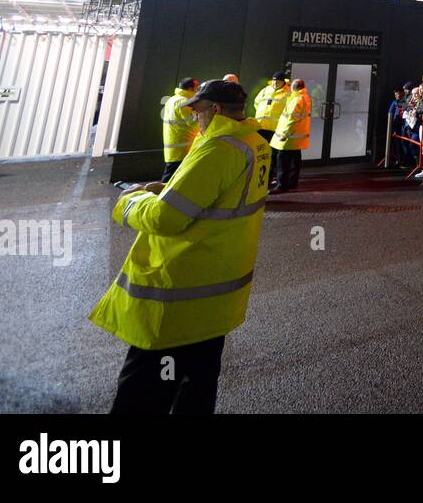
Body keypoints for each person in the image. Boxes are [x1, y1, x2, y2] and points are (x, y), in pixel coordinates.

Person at [90, 79, 270, 414]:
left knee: (142, 397)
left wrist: (130, 201)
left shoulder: (219, 148)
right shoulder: (253, 143)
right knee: (197, 390)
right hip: (216, 297)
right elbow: (222, 199)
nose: (194, 119)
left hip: (181, 296)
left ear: (214, 109)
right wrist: (171, 187)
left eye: (198, 112)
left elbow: (165, 219)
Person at [270, 78, 311, 194]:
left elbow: (292, 118)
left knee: (282, 160)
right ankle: (292, 183)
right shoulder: (306, 97)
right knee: (295, 160)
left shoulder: (297, 99)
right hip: (297, 138)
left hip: (289, 138)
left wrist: (285, 134)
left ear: (294, 87)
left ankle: (281, 185)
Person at [161, 78, 199, 182]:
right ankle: (158, 196)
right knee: (170, 180)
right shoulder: (184, 102)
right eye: (197, 87)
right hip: (182, 148)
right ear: (191, 88)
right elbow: (193, 122)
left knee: (170, 176)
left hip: (174, 147)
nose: (198, 90)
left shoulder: (172, 99)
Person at [253, 72, 290, 145]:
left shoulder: (288, 93)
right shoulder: (265, 90)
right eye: (274, 81)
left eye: (278, 82)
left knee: (272, 151)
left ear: (283, 82)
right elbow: (256, 103)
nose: (275, 83)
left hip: (275, 129)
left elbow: (289, 111)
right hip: (260, 126)